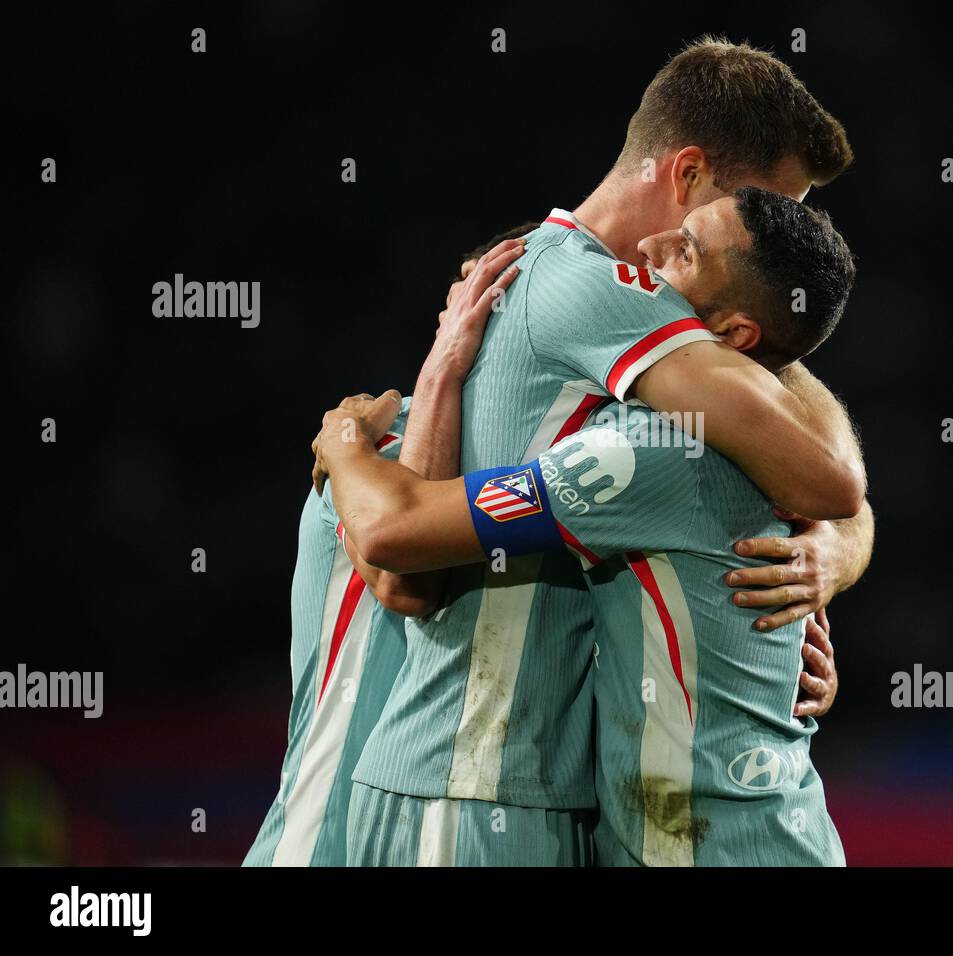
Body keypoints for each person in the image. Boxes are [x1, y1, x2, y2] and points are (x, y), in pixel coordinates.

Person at [318, 186, 860, 865]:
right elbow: (834, 479)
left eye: (685, 250)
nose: (648, 248)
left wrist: (340, 438)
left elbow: (397, 536)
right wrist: (842, 543)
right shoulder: (759, 438)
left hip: (724, 848)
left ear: (733, 336)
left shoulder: (648, 451)